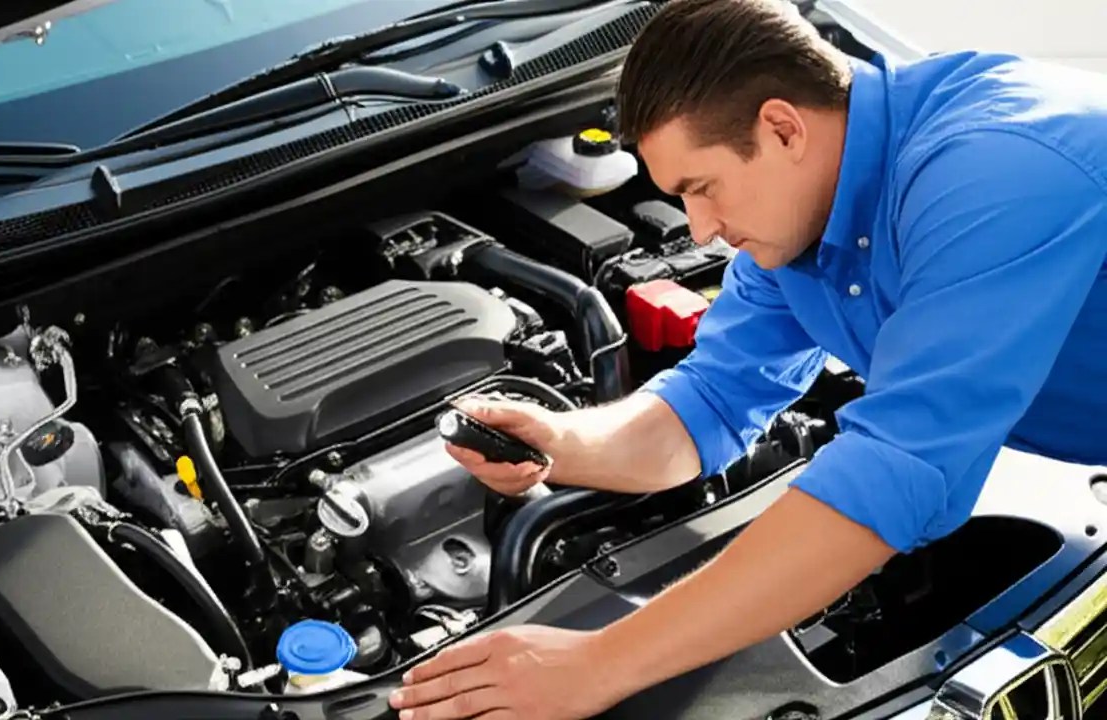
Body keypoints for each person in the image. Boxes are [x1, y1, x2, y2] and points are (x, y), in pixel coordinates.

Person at [387, 0, 1107, 717]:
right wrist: (564, 443)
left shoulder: (994, 171)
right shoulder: (796, 220)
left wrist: (595, 665)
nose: (700, 229)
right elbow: (711, 402)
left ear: (782, 127)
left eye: (701, 188)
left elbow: (894, 477)